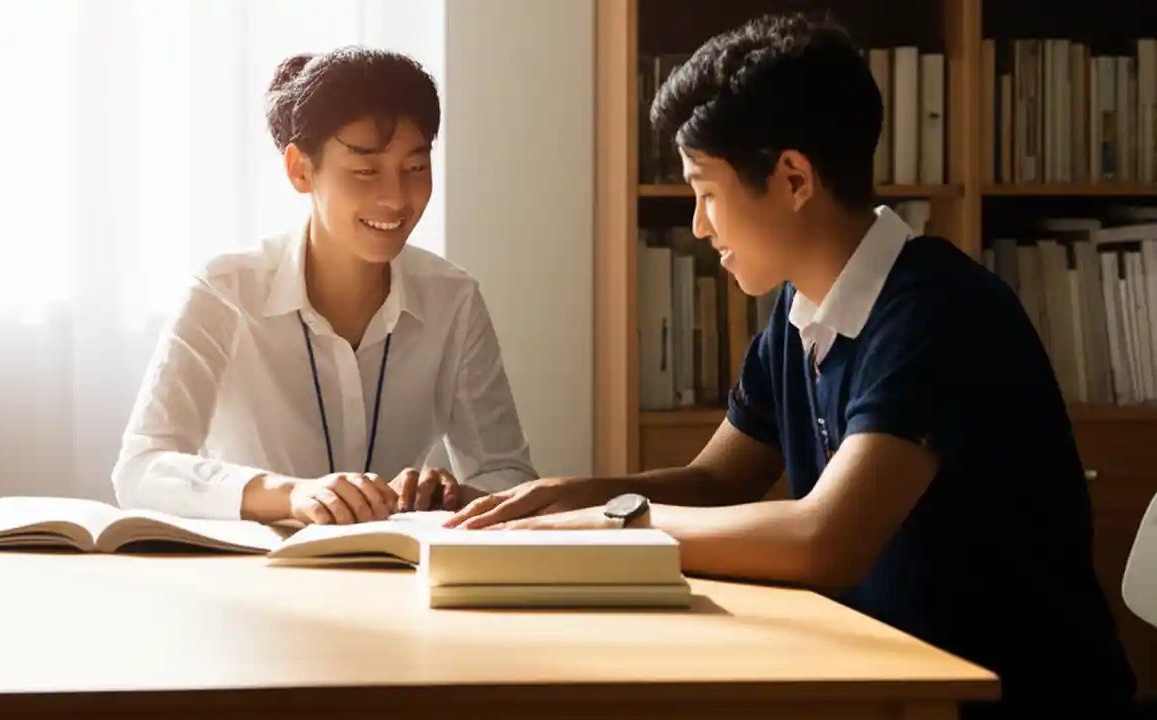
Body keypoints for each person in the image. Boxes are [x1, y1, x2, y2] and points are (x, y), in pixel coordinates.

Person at [446, 13, 1136, 718]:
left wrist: (616, 525)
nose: (697, 225)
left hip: (1004, 700)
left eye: (707, 191)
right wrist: (566, 499)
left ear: (794, 178)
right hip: (883, 678)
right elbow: (716, 481)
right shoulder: (798, 310)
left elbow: (822, 541)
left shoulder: (937, 313)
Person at [112, 48, 536, 526]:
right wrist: (290, 495)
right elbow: (142, 469)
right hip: (253, 576)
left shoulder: (452, 300)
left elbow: (509, 474)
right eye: (365, 170)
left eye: (415, 168)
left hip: (398, 580)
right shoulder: (226, 291)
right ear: (300, 170)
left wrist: (457, 495)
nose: (395, 197)